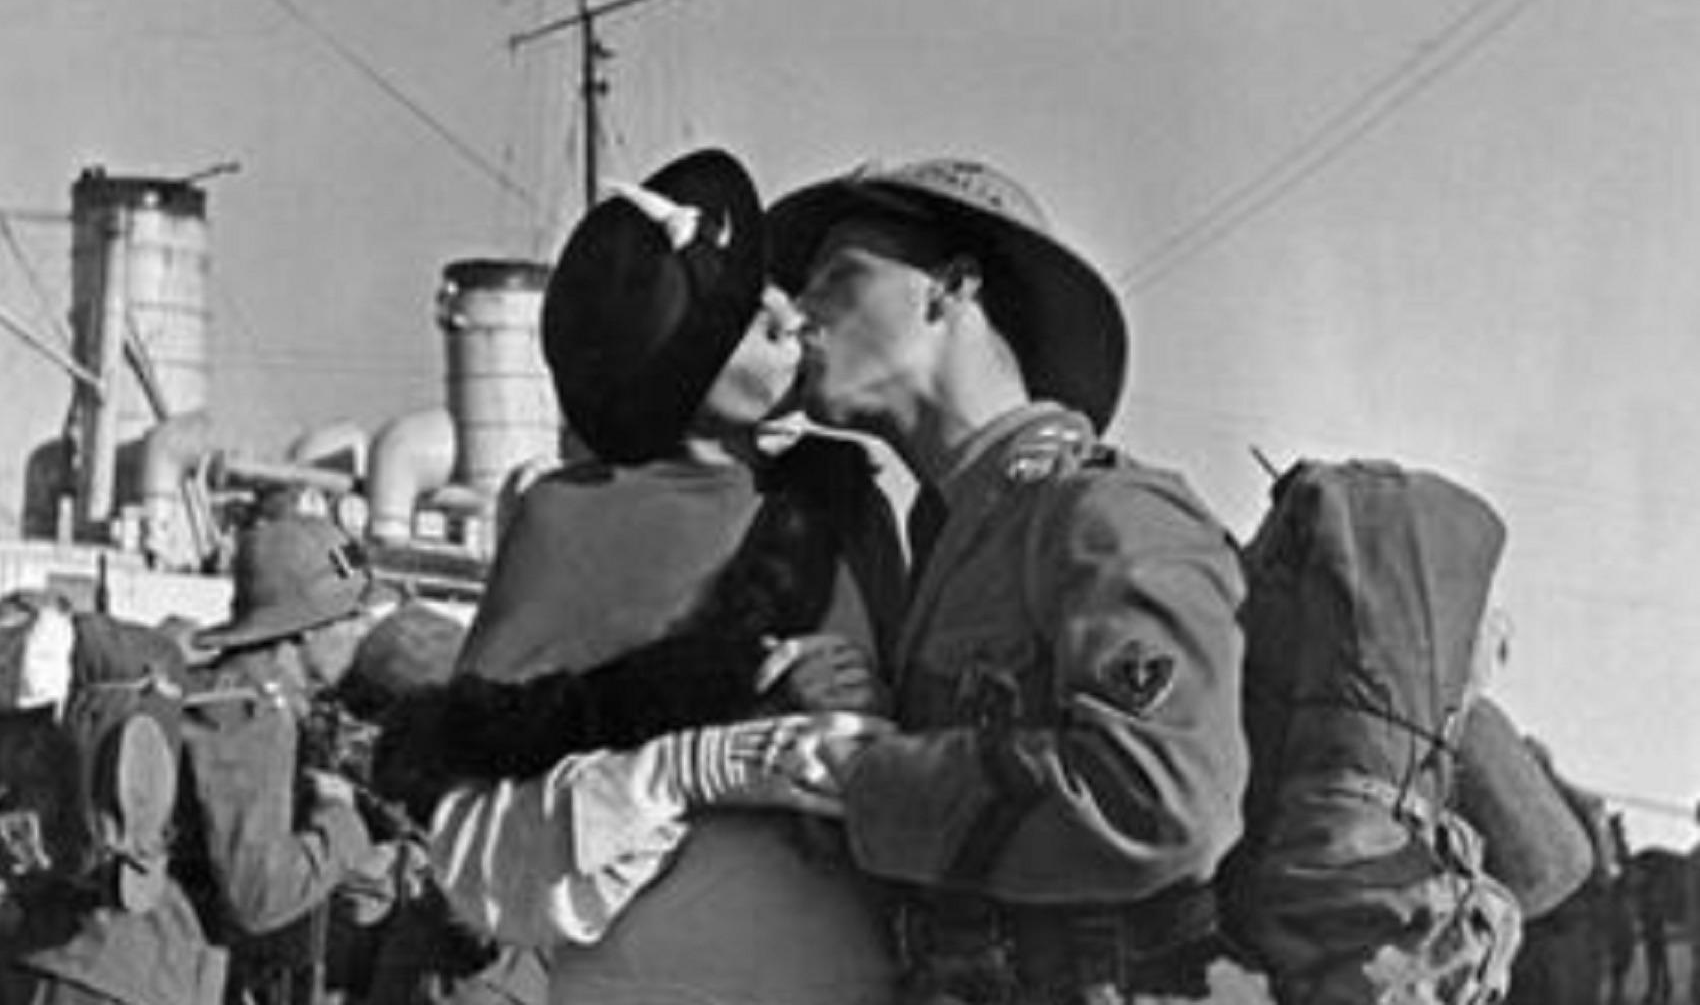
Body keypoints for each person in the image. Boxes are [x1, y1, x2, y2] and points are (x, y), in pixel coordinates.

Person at [392, 147, 906, 1004]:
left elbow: (922, 757)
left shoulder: (845, 503)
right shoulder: (570, 520)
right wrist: (685, 768)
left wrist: (867, 699)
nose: (790, 315)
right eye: (747, 312)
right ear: (676, 365)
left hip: (848, 975)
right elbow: (475, 847)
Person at [765, 157, 1268, 1005]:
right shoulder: (953, 544)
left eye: (837, 278)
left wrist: (863, 776)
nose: (796, 314)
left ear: (951, 288)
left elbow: (1159, 800)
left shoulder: (1104, 511)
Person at [181, 512, 392, 1005]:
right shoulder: (254, 714)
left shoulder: (231, 693)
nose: (361, 633)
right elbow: (259, 896)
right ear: (304, 629)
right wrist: (343, 820)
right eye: (349, 618)